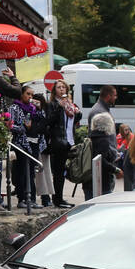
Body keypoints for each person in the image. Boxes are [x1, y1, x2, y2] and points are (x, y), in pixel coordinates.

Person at [43, 79, 82, 208]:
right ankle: (57, 199)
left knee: (62, 171)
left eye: (63, 87)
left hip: (68, 140)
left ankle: (59, 197)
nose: (61, 89)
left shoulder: (69, 105)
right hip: (58, 141)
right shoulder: (53, 104)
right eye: (59, 87)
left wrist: (78, 112)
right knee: (58, 172)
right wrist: (59, 108)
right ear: (55, 91)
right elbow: (49, 121)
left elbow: (73, 121)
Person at [8, 85, 45, 207]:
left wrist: (39, 109)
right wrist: (23, 128)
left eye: (32, 95)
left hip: (33, 143)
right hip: (20, 144)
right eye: (28, 94)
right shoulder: (14, 108)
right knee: (21, 172)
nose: (30, 97)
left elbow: (43, 120)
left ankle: (32, 200)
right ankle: (22, 199)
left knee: (31, 173)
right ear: (22, 94)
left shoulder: (33, 108)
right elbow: (10, 125)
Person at [81, 112, 122, 199]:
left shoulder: (90, 138)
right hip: (101, 183)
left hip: (87, 181)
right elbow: (101, 161)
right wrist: (115, 170)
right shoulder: (103, 140)